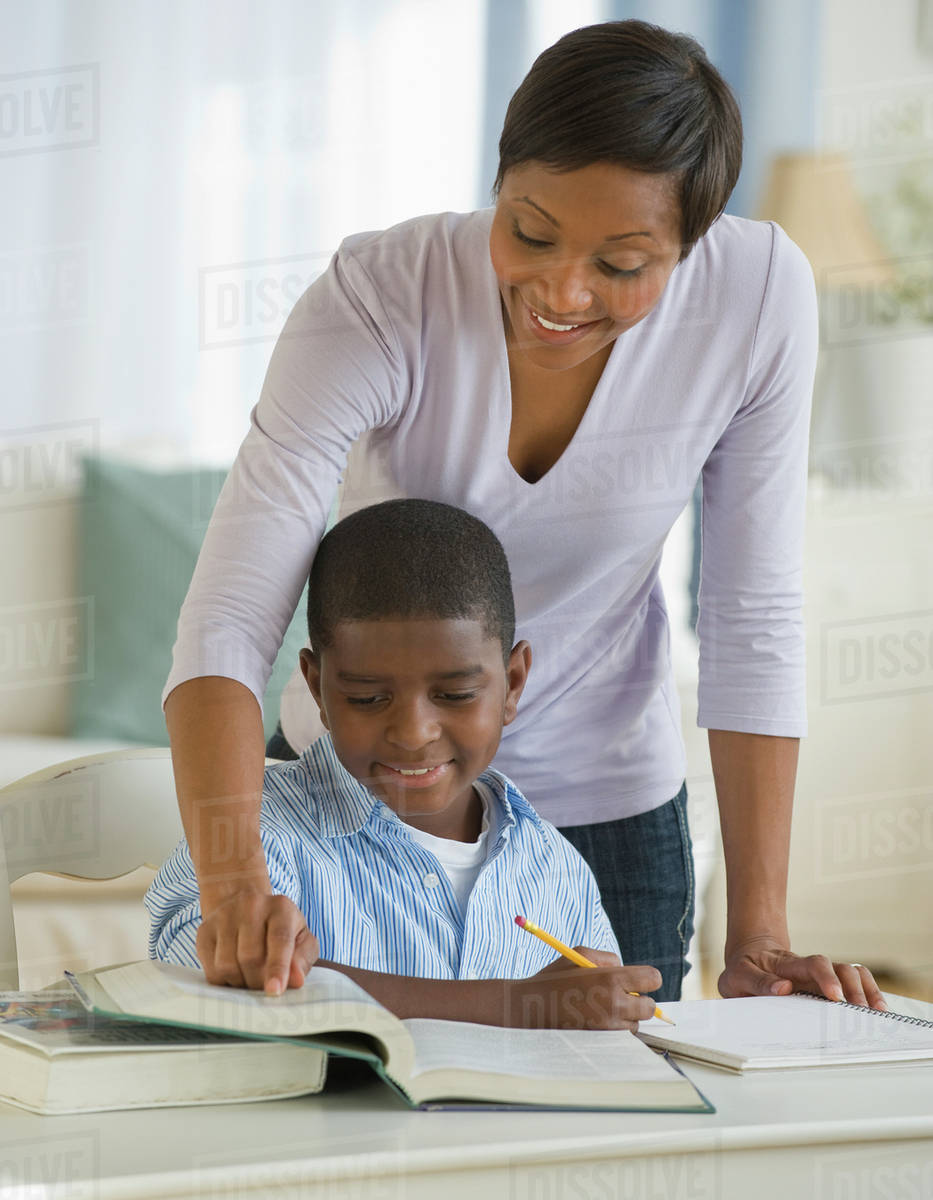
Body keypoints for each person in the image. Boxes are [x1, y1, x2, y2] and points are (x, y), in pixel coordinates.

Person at [163, 19, 885, 1009]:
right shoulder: (381, 299)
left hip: (608, 804)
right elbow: (230, 621)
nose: (560, 289)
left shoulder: (758, 301)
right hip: (361, 795)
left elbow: (752, 611)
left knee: (606, 1142)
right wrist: (236, 881)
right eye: (530, 231)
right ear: (499, 177)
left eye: (624, 263)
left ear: (694, 245)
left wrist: (758, 932)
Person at [147, 500, 659, 1029]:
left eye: (456, 694)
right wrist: (515, 1006)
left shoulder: (554, 868)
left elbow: (600, 1027)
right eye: (368, 698)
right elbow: (198, 988)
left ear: (513, 683)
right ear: (316, 687)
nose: (414, 734)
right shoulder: (249, 841)